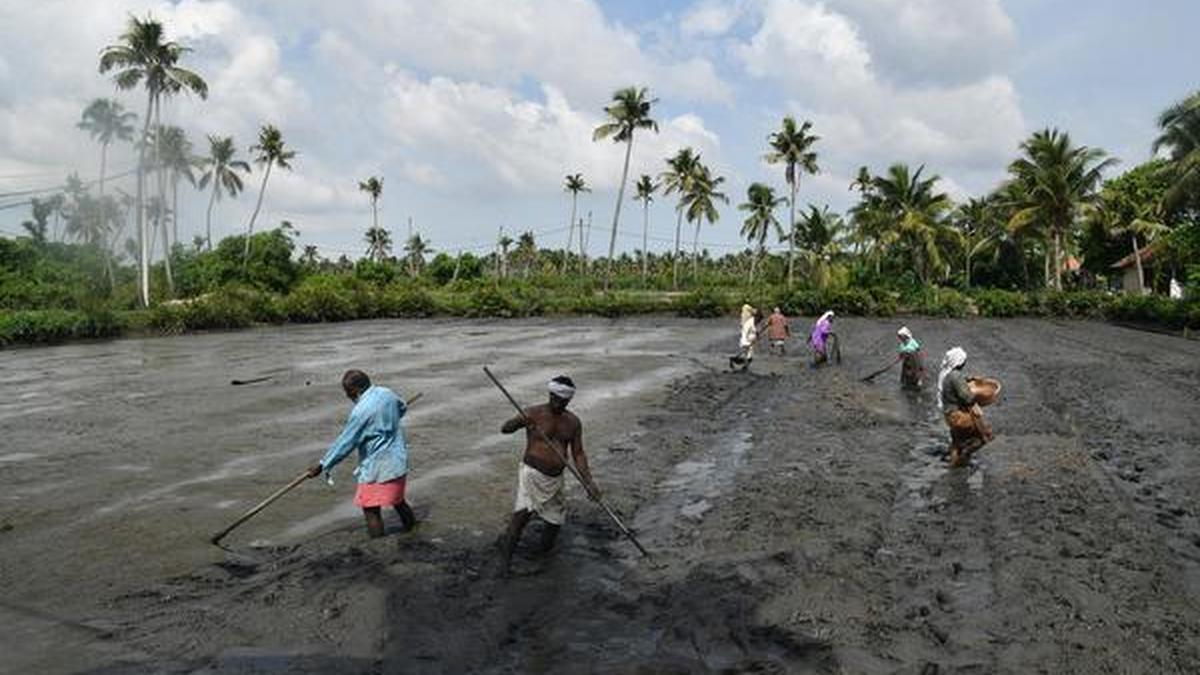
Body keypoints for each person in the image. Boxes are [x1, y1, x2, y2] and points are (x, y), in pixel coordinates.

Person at [498, 375, 600, 573]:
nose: (558, 403)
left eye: (563, 401)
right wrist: (518, 422)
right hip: (532, 475)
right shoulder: (533, 413)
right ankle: (504, 566)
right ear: (550, 394)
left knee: (554, 522)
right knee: (520, 518)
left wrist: (589, 482)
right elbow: (505, 429)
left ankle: (542, 557)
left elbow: (578, 453)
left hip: (555, 479)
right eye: (555, 398)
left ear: (569, 400)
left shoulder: (572, 422)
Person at [307, 369, 416, 538]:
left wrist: (322, 465)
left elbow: (345, 442)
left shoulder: (361, 411)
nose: (347, 396)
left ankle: (377, 546)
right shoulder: (386, 393)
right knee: (398, 501)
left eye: (348, 392)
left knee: (370, 509)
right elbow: (402, 407)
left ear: (357, 390)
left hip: (378, 468)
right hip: (398, 461)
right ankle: (414, 532)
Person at [937, 347, 994, 468]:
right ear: (961, 362)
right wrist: (980, 395)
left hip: (949, 415)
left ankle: (954, 466)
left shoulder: (948, 375)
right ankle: (964, 455)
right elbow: (967, 397)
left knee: (956, 442)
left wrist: (971, 378)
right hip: (958, 416)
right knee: (985, 436)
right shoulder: (956, 377)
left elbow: (960, 380)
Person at [729, 304, 759, 371]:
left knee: (747, 354)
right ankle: (744, 366)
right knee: (748, 355)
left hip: (747, 339)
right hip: (747, 340)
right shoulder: (749, 320)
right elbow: (751, 330)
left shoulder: (745, 319)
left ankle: (743, 366)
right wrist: (754, 335)